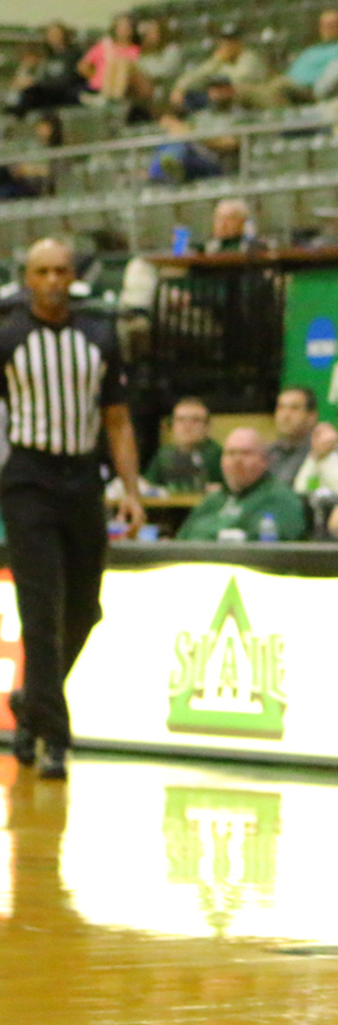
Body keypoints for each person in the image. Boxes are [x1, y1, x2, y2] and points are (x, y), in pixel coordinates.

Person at [0, 237, 145, 780]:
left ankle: (32, 705)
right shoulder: (8, 336)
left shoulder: (99, 336)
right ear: (28, 278)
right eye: (44, 271)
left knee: (85, 608)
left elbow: (117, 419)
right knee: (40, 612)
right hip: (28, 479)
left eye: (63, 270)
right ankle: (56, 739)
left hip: (83, 479)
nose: (55, 280)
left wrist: (130, 491)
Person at [175, 428, 309, 541]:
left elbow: (267, 544)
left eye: (246, 453)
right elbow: (181, 539)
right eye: (230, 453)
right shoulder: (213, 500)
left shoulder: (280, 498)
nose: (236, 460)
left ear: (265, 460)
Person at [170, 25, 277, 111]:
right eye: (224, 41)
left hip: (256, 108)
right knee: (183, 97)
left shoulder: (250, 57)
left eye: (231, 41)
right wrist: (215, 62)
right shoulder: (218, 61)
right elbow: (188, 81)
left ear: (240, 42)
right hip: (227, 108)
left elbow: (240, 80)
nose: (227, 45)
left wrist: (216, 73)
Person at [143, 396, 221, 493]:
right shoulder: (164, 455)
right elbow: (147, 485)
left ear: (207, 427)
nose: (187, 426)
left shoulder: (218, 455)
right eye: (180, 420)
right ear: (172, 426)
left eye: (195, 420)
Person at [286, 9, 338, 95]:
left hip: (309, 90)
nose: (326, 30)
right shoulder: (312, 50)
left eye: (331, 26)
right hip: (289, 86)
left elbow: (332, 77)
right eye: (323, 26)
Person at [78, 15, 140, 100]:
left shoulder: (136, 50)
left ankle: (111, 98)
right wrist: (98, 76)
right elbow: (82, 66)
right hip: (99, 87)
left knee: (121, 63)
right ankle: (105, 97)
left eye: (127, 27)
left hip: (125, 90)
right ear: (115, 29)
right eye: (121, 27)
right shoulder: (104, 46)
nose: (124, 30)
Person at [267, 387, 318, 486]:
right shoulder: (267, 453)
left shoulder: (318, 455)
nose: (285, 415)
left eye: (294, 408)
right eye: (281, 408)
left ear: (312, 416)